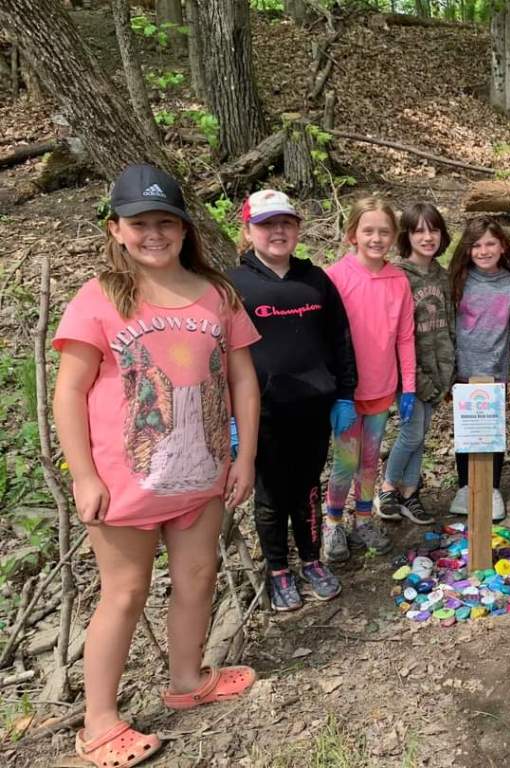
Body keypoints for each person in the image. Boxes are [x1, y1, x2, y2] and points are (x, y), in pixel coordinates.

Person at [53, 164, 259, 767]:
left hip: (202, 476)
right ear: (116, 229)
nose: (153, 234)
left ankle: (188, 678)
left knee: (198, 577)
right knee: (125, 591)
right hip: (124, 487)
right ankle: (98, 722)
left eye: (165, 222)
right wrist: (84, 475)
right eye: (139, 223)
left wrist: (245, 454)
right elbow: (69, 392)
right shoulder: (100, 297)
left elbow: (242, 377)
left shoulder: (217, 293)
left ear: (184, 229)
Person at [230, 189, 357, 611]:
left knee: (306, 490)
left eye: (285, 223)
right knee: (270, 496)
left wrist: (345, 395)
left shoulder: (315, 279)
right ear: (248, 232)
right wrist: (231, 417)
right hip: (262, 413)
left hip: (313, 408)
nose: (277, 231)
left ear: (298, 228)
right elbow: (223, 357)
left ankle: (310, 560)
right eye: (266, 225)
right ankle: (278, 568)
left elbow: (340, 339)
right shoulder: (234, 284)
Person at [323, 197, 415, 559]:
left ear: (393, 237)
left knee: (369, 460)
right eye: (368, 231)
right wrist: (332, 391)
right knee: (344, 462)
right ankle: (333, 524)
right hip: (345, 394)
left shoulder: (398, 280)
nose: (376, 238)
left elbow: (405, 336)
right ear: (353, 234)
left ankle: (363, 518)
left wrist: (407, 387)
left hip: (381, 390)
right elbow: (326, 339)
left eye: (384, 232)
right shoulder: (335, 277)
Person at [377, 203, 455, 525]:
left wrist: (449, 371)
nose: (427, 237)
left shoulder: (443, 275)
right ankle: (387, 486)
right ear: (407, 236)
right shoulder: (397, 276)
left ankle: (410, 493)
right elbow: (395, 334)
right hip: (408, 374)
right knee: (411, 433)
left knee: (420, 433)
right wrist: (413, 378)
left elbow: (448, 324)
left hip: (439, 370)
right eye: (418, 230)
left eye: (433, 229)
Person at [447, 216, 510, 520]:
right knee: (465, 431)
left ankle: (492, 489)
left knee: (491, 433)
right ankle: (465, 488)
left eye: (490, 243)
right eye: (476, 245)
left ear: (502, 246)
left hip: (494, 372)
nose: (483, 250)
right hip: (463, 371)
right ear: (467, 249)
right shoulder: (457, 281)